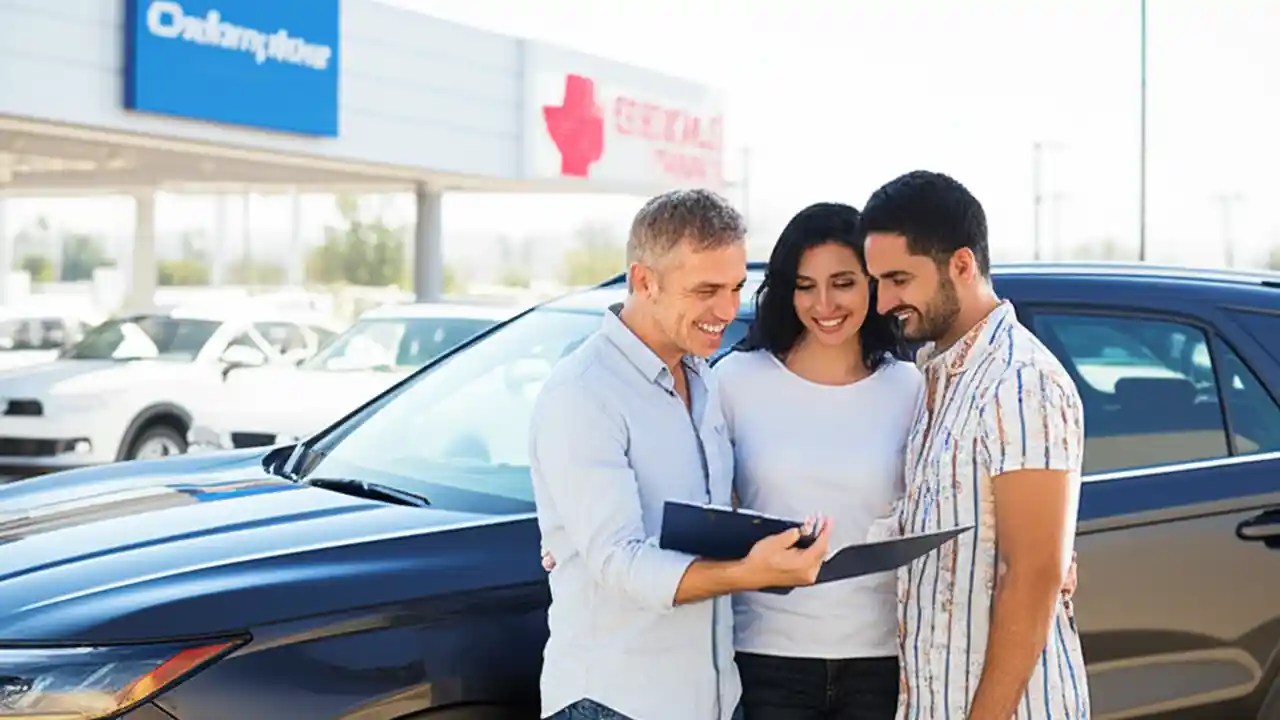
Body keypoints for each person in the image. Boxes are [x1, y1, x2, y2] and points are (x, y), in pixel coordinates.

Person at [529, 188, 834, 720]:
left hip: (714, 700)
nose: (727, 309)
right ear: (644, 281)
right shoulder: (582, 393)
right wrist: (751, 572)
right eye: (707, 290)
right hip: (615, 705)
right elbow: (619, 561)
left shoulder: (703, 378)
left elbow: (701, 518)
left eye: (737, 287)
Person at [860, 170, 1091, 720]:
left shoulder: (1020, 381)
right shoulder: (939, 379)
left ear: (961, 265)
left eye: (898, 279)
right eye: (877, 281)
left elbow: (1033, 573)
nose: (883, 300)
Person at [712, 202, 923, 719]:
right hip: (765, 656)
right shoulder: (736, 381)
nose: (823, 303)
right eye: (805, 285)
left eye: (843, 282)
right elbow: (694, 498)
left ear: (872, 285)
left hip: (880, 659)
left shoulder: (910, 388)